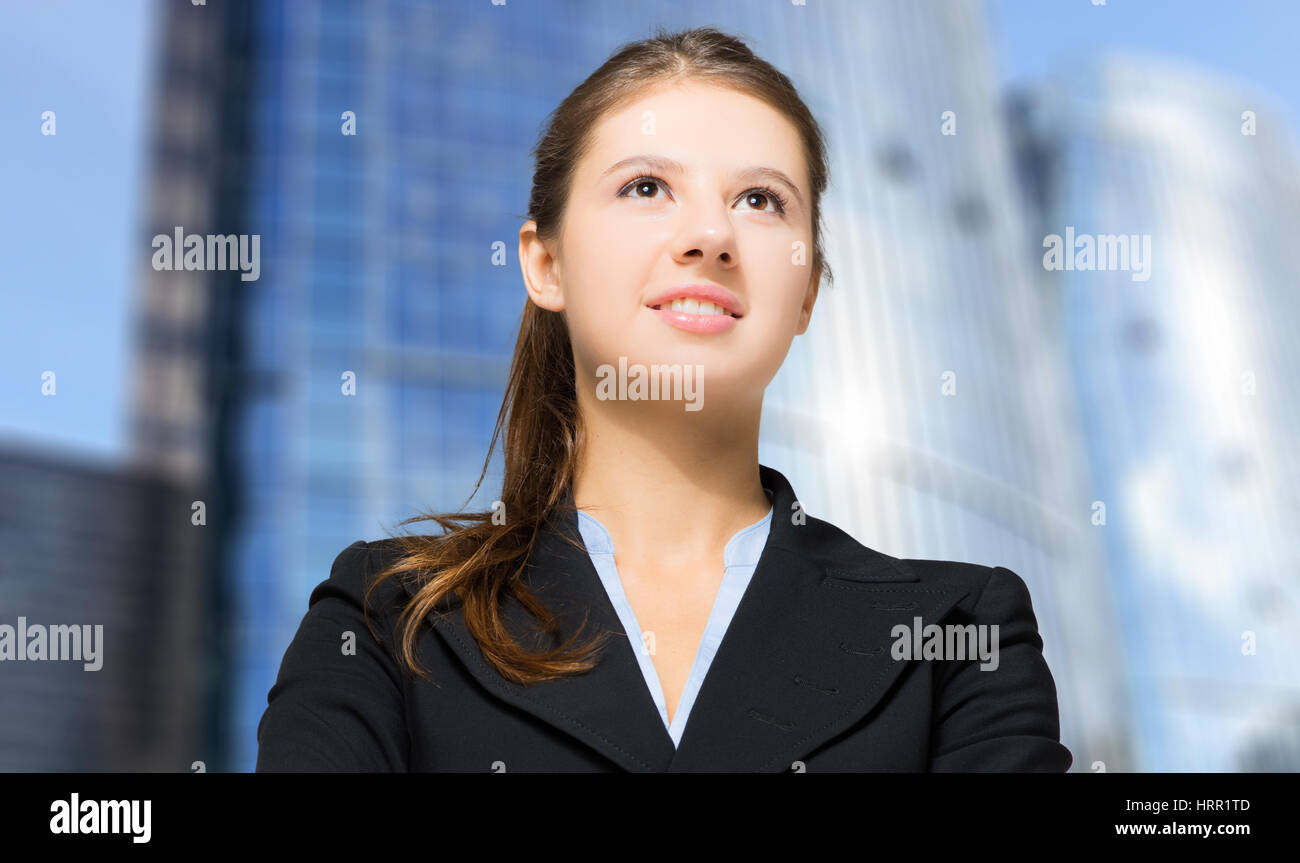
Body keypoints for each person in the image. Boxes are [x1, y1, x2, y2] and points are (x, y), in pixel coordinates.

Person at [256, 26, 1071, 773]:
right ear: (546, 265)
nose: (709, 236)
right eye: (647, 187)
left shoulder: (961, 631)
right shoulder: (389, 617)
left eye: (760, 200)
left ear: (807, 294)